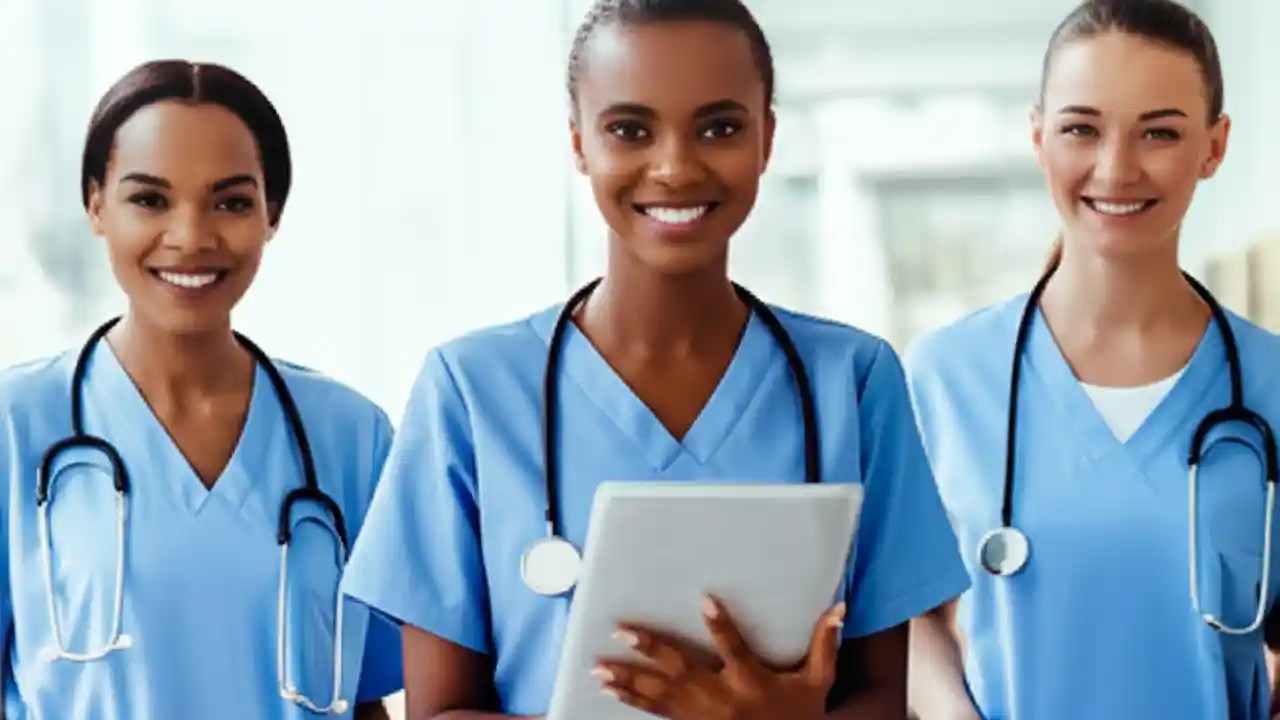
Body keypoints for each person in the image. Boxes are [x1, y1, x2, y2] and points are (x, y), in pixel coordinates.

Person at [340, 1, 969, 718]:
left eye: (720, 128)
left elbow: (884, 699)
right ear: (579, 143)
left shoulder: (852, 382)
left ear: (767, 139)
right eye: (629, 130)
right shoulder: (471, 391)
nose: (674, 166)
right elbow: (437, 713)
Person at [904, 1, 1280, 718]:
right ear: (1038, 136)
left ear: (1215, 146)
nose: (1117, 168)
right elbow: (907, 613)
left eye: (1160, 132)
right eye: (1081, 128)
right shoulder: (945, 378)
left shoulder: (1271, 385)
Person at [0, 60, 401, 719]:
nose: (190, 237)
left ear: (272, 214)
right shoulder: (17, 425)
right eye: (150, 200)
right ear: (96, 205)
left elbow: (364, 700)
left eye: (231, 202)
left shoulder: (353, 437)